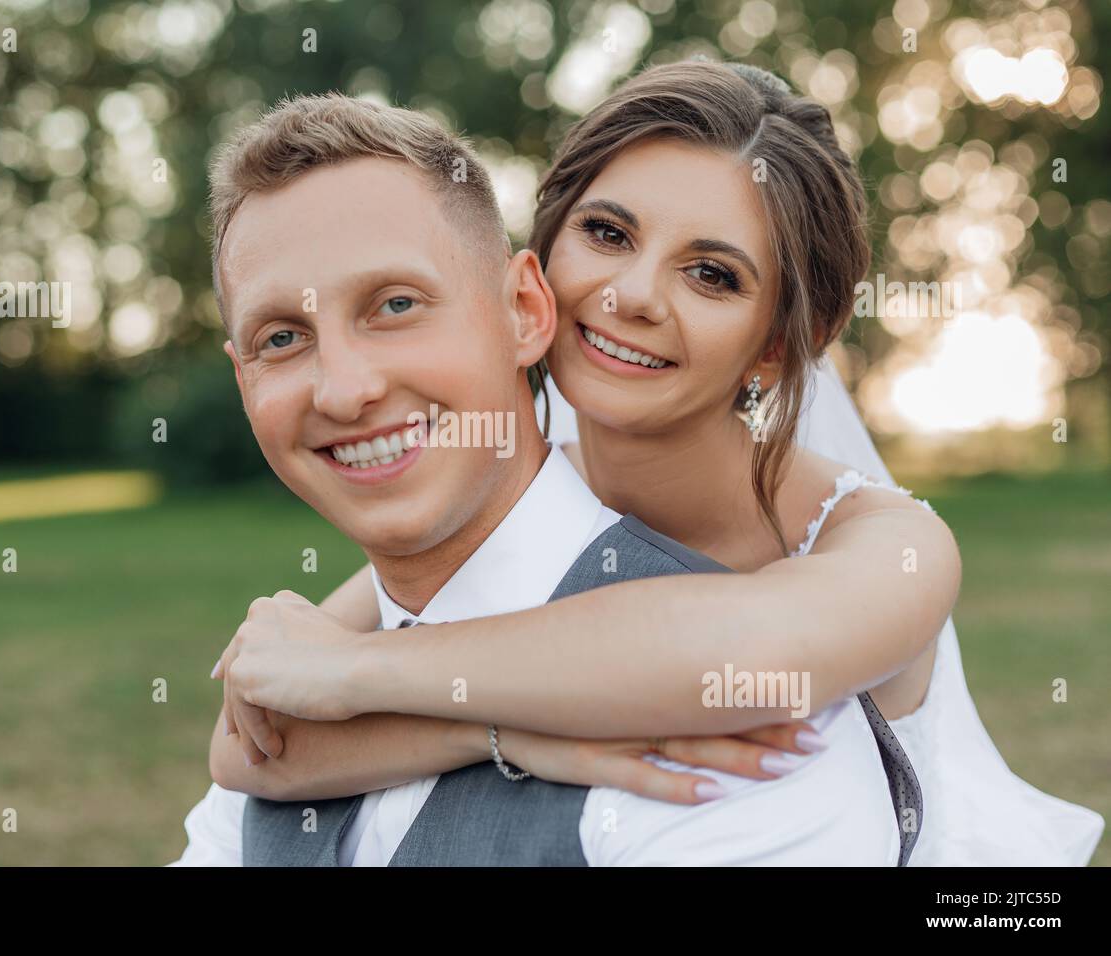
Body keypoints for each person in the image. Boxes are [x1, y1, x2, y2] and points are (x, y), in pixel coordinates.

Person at [195, 62, 1104, 866]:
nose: (631, 295)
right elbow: (258, 746)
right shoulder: (518, 497)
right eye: (608, 234)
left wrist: (359, 674)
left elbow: (749, 660)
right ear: (537, 273)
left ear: (777, 345)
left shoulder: (886, 542)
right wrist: (497, 732)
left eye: (713, 275)